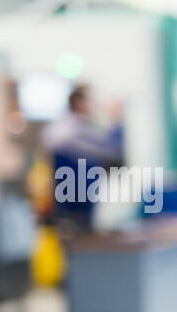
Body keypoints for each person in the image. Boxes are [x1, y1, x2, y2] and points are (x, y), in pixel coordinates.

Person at [41, 84, 124, 229]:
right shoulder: (65, 129)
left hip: (84, 188)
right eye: (87, 102)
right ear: (78, 103)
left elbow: (110, 149)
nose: (90, 106)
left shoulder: (85, 127)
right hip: (73, 188)